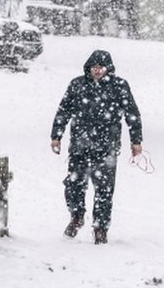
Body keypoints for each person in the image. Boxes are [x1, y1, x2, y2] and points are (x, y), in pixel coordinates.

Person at [50, 49, 143, 244]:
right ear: (88, 68)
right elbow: (63, 110)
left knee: (104, 190)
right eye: (94, 67)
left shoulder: (119, 86)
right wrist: (56, 136)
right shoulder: (77, 85)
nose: (97, 71)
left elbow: (132, 114)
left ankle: (100, 227)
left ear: (108, 68)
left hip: (106, 147)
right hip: (79, 146)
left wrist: (136, 141)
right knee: (74, 185)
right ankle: (76, 216)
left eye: (101, 67)